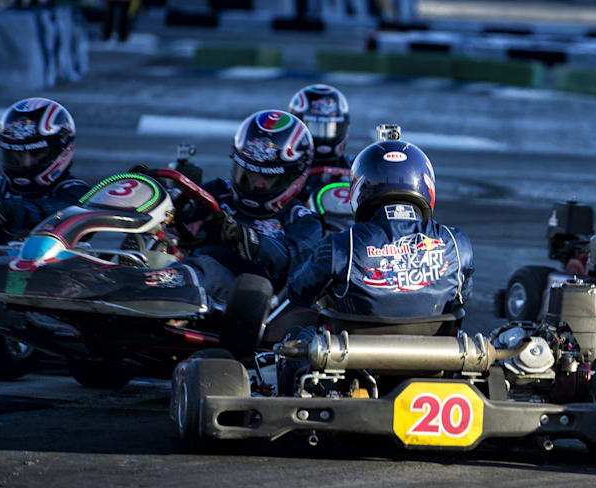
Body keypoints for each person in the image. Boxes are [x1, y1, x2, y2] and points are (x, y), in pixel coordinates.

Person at [286, 139, 473, 320]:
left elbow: (298, 292)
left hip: (353, 347)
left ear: (361, 189)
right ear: (425, 185)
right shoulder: (457, 243)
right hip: (435, 347)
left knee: (298, 330)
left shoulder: (341, 246)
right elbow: (462, 298)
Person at [184, 110, 323, 303]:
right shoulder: (219, 191)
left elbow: (292, 263)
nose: (257, 184)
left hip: (249, 303)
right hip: (191, 281)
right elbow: (177, 221)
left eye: (268, 177)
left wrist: (244, 236)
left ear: (293, 176)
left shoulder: (303, 220)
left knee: (205, 267)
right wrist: (175, 192)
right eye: (249, 173)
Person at [0, 98, 88, 245]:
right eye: (17, 156)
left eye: (35, 155)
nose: (25, 164)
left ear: (61, 150)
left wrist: (9, 212)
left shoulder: (77, 192)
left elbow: (55, 213)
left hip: (55, 266)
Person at [289, 84, 355, 231]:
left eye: (330, 129)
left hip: (354, 237)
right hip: (307, 235)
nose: (323, 137)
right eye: (315, 128)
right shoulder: (288, 168)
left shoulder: (355, 167)